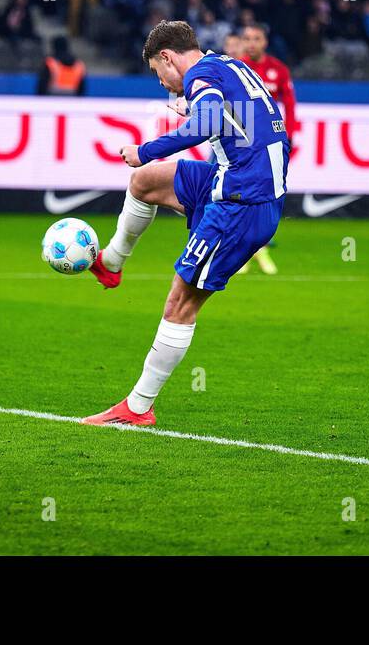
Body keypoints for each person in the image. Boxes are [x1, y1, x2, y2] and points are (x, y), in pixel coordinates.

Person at [82, 21, 288, 426]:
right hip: (233, 178)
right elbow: (246, 120)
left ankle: (138, 407)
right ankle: (111, 262)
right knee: (145, 182)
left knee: (180, 301)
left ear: (167, 57)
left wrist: (146, 149)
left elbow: (206, 125)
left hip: (242, 201)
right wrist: (193, 108)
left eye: (160, 75)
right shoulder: (228, 66)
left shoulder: (198, 75)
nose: (163, 84)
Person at [236, 22, 297, 276]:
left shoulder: (278, 70)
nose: (251, 43)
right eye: (247, 38)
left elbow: (290, 104)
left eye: (256, 38)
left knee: (265, 196)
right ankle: (250, 252)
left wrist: (289, 137)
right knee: (241, 196)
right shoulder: (236, 67)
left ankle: (255, 250)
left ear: (265, 42)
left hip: (270, 143)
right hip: (241, 142)